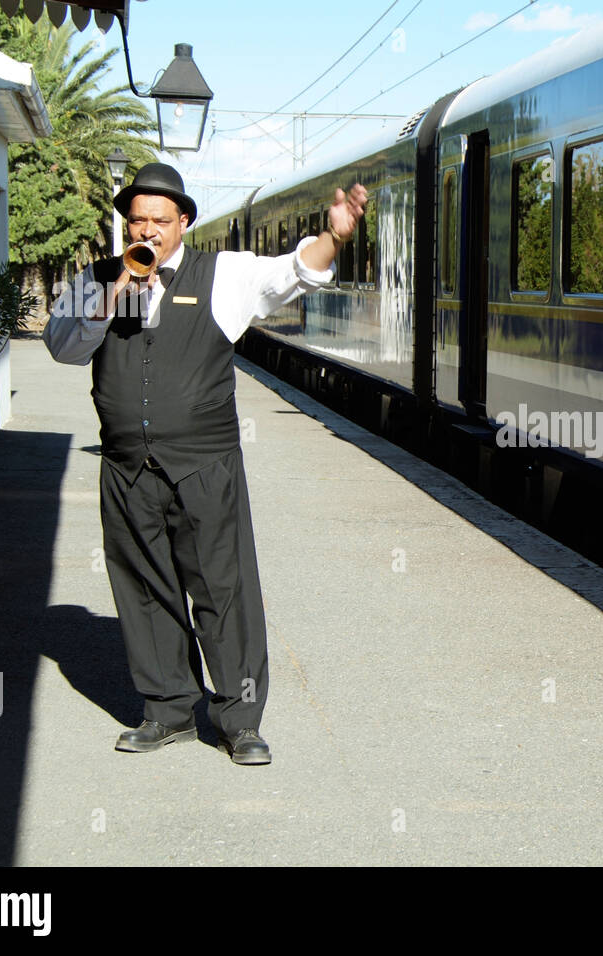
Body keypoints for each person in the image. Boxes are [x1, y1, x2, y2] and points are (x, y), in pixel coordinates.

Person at [44, 163, 367, 765]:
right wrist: (112, 295)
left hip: (204, 465)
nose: (147, 231)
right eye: (137, 220)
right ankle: (167, 711)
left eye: (159, 221)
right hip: (126, 466)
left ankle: (240, 720)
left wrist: (334, 238)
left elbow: (291, 275)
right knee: (143, 588)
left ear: (183, 222)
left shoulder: (223, 273)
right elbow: (64, 347)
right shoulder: (97, 280)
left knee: (224, 590)